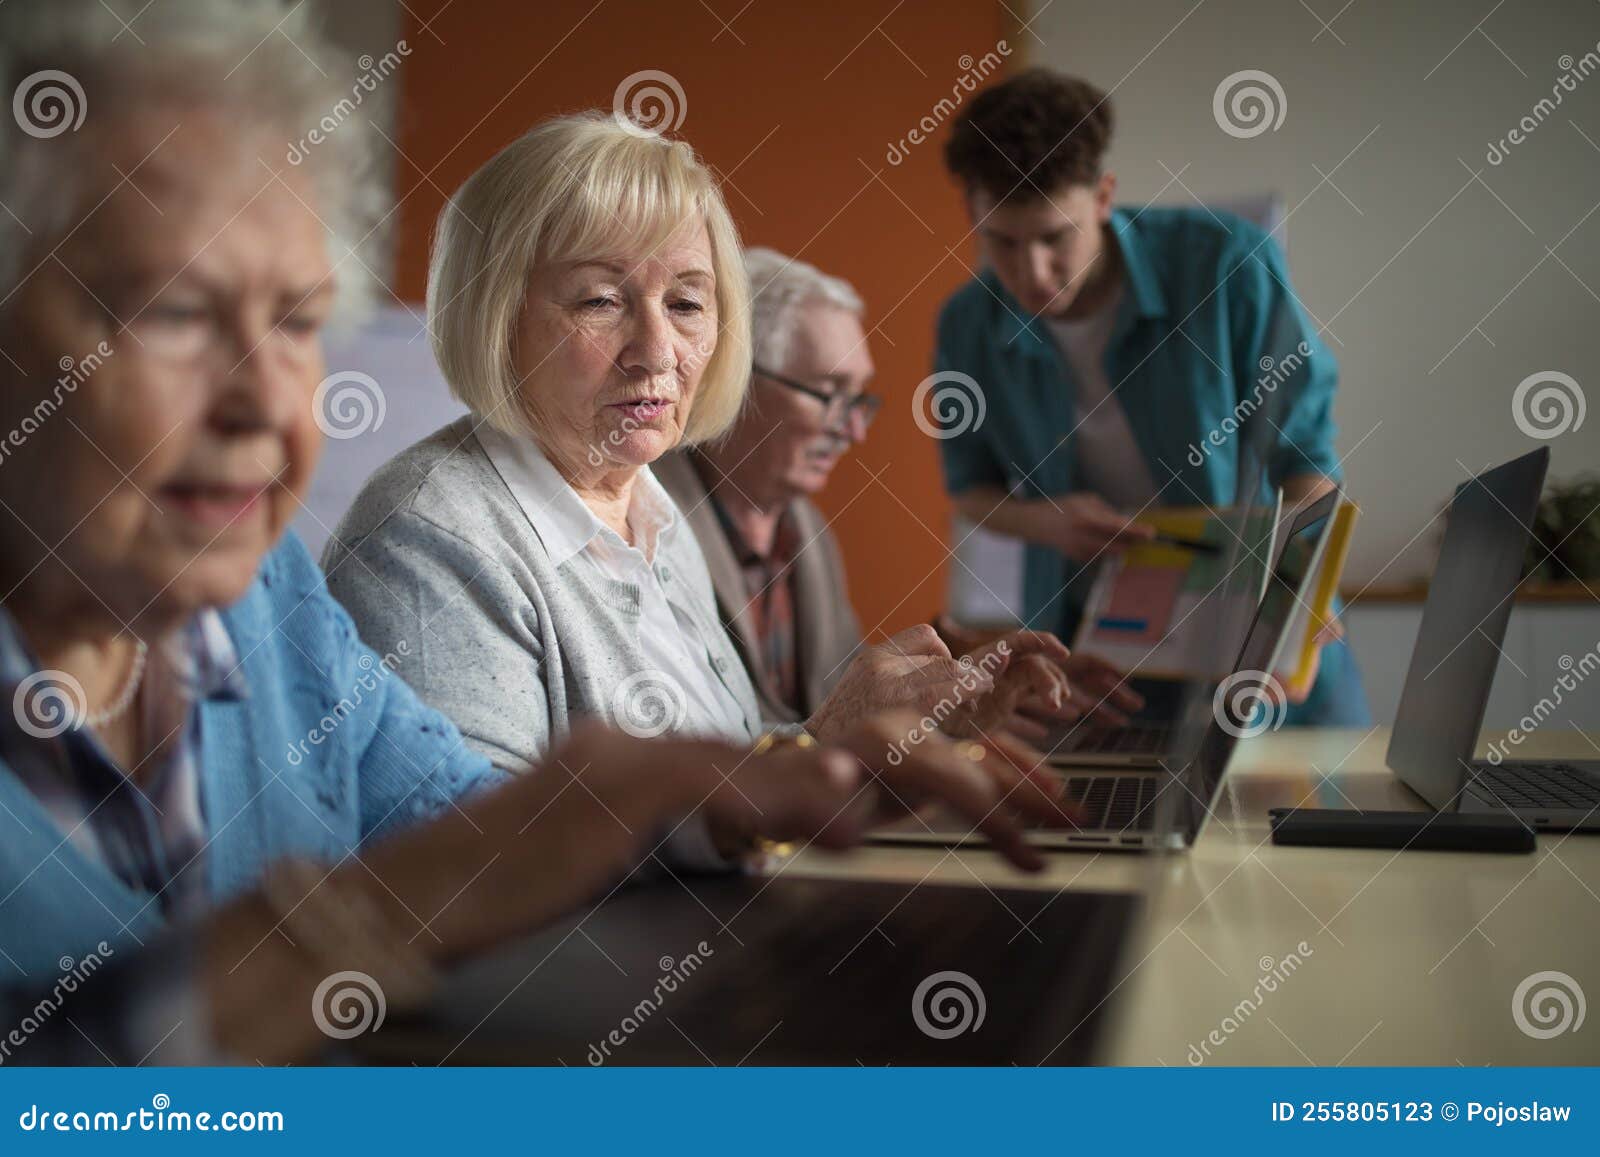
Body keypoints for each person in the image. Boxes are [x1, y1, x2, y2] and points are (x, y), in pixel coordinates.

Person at [0, 0, 1060, 1067]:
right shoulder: (422, 531)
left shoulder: (263, 594)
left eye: (297, 322)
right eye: (174, 312)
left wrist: (797, 778)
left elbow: (492, 833)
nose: (265, 407)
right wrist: (340, 936)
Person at [324, 113, 1082, 791]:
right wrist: (829, 746)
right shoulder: (429, 539)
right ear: (495, 317)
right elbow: (483, 879)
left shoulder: (649, 508)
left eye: (687, 303)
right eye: (599, 300)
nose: (658, 351)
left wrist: (911, 725)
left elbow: (733, 766)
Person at [932, 69, 1370, 725]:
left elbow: (1305, 457)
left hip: (1256, 624)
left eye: (1056, 237)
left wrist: (1299, 588)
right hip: (1098, 657)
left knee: (1308, 817)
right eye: (1002, 241)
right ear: (971, 213)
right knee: (1120, 816)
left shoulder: (1227, 264)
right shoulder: (967, 324)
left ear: (1104, 197)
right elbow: (970, 487)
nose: (1032, 272)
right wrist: (1050, 521)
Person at [654, 247, 1143, 733]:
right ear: (734, 379)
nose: (853, 431)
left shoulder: (804, 528)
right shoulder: (642, 528)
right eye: (829, 394)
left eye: (859, 398)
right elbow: (684, 758)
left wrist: (965, 679)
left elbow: (837, 701)